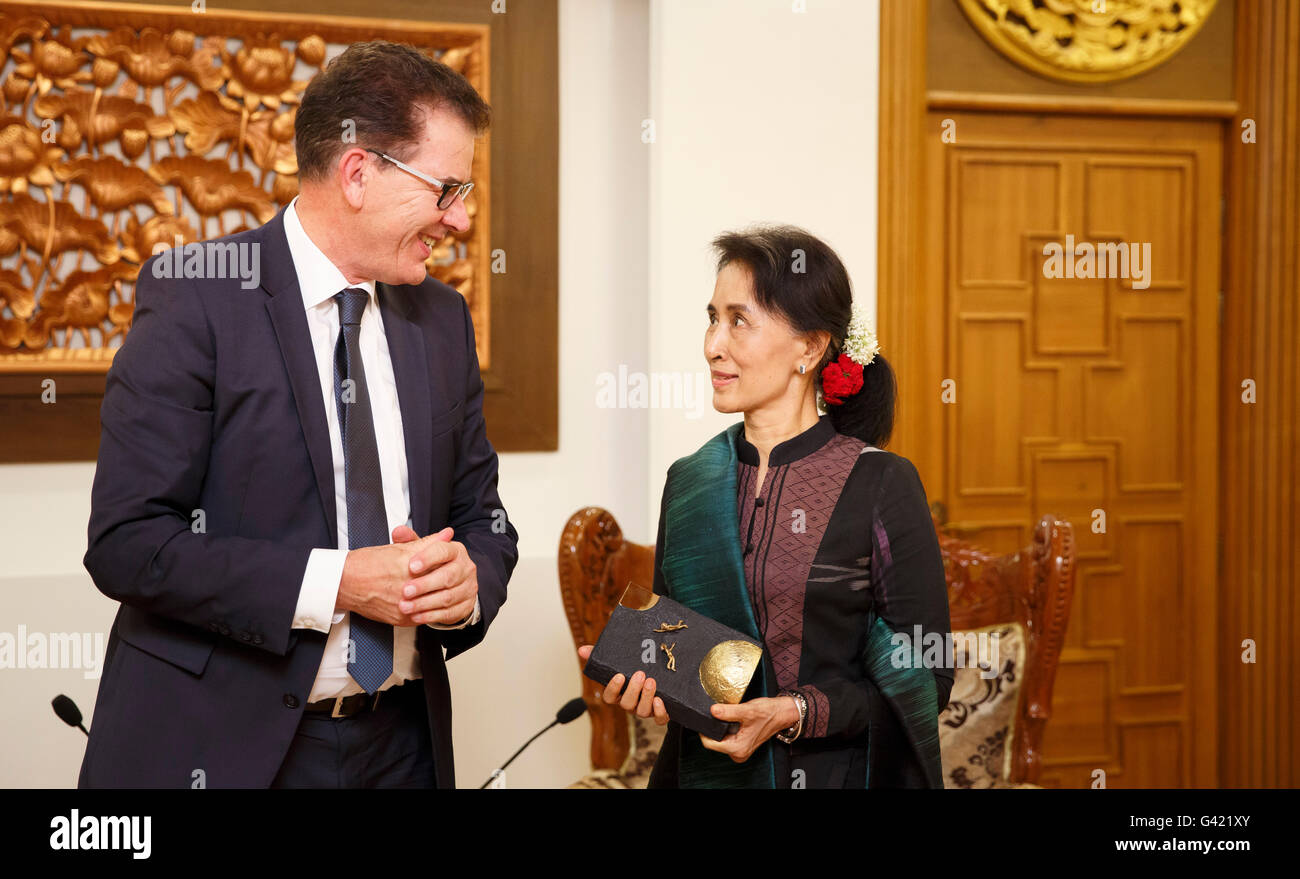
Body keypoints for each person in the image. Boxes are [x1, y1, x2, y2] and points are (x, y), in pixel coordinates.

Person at [79, 41, 518, 788]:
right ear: (358, 173)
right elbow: (128, 542)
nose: (463, 219)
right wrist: (340, 583)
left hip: (403, 747)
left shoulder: (443, 319)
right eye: (447, 190)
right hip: (229, 750)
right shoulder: (197, 295)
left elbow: (485, 519)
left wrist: (470, 579)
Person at [579, 225, 952, 788]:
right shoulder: (689, 482)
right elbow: (684, 654)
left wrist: (795, 711)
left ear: (810, 346)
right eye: (711, 317)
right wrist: (649, 687)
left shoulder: (881, 483)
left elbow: (927, 676)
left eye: (738, 320)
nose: (712, 344)